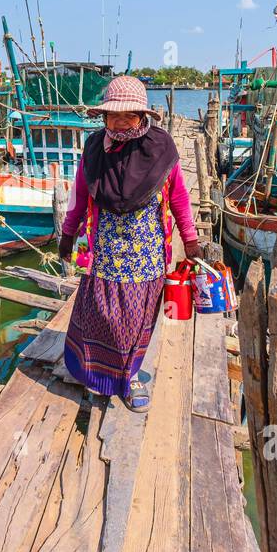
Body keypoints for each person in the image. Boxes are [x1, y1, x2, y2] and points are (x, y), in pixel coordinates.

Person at [57, 76, 201, 413]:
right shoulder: (94, 149)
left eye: (129, 116)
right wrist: (67, 234)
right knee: (100, 315)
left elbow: (179, 197)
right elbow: (79, 197)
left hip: (146, 255)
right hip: (104, 252)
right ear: (104, 117)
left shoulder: (161, 148)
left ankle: (131, 376)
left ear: (142, 116)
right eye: (114, 116)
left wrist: (190, 239)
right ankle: (98, 377)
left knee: (135, 322)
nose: (121, 123)